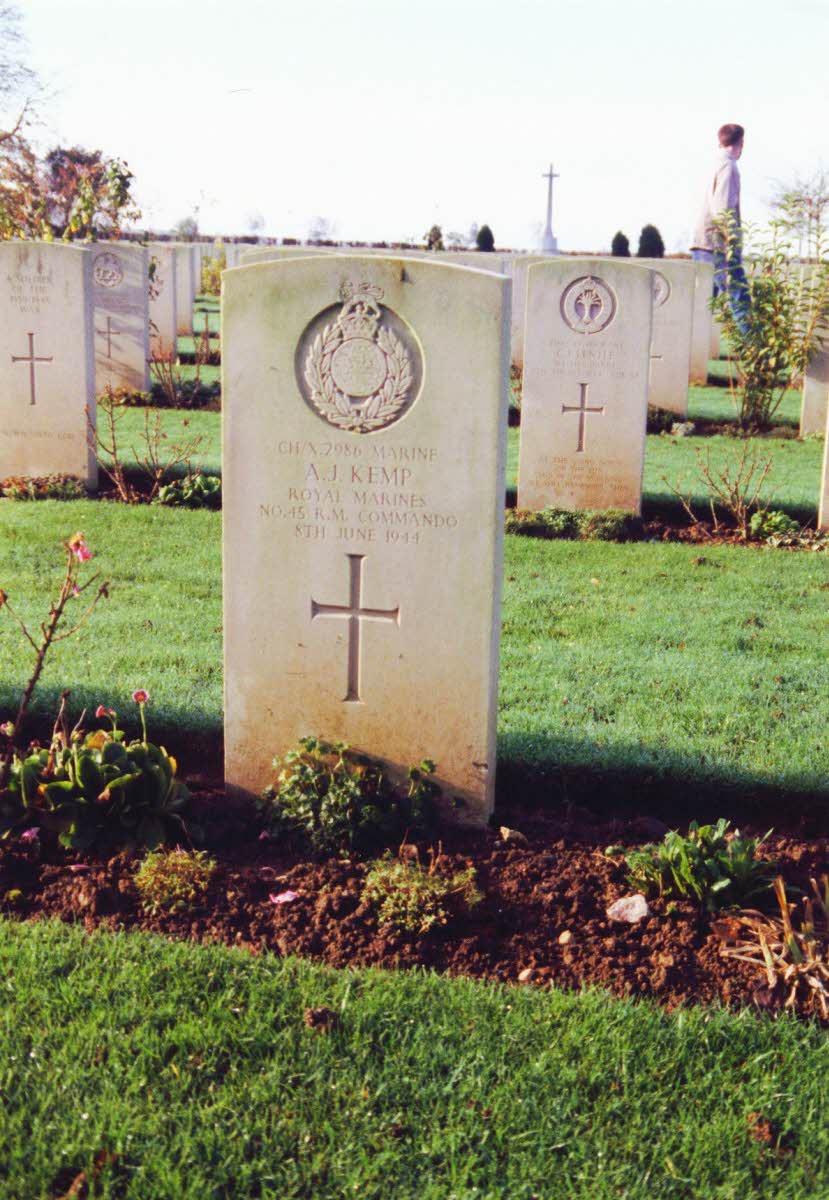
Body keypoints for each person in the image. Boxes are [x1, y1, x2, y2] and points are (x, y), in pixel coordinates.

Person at [690, 123, 750, 335]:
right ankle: (759, 357)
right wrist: (729, 243)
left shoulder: (713, 163)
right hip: (718, 245)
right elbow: (722, 208)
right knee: (739, 298)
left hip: (702, 243)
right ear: (741, 142)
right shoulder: (728, 166)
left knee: (701, 308)